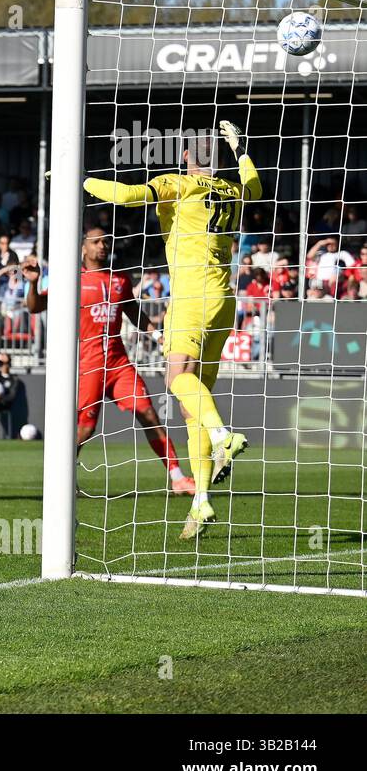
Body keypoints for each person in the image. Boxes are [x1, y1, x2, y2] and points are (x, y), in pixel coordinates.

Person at [82, 120, 260, 538]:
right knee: (192, 404)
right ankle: (200, 502)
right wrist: (242, 151)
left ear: (184, 159)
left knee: (176, 379)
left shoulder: (178, 185)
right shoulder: (233, 190)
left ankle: (222, 436)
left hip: (191, 297)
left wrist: (81, 178)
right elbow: (255, 188)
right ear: (216, 160)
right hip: (223, 301)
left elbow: (126, 196)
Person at [21, 230, 194, 493]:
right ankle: (62, 479)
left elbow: (134, 313)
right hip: (88, 365)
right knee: (85, 429)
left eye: (106, 242)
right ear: (83, 248)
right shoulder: (71, 279)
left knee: (148, 413)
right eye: (96, 242)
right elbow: (35, 307)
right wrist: (33, 283)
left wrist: (160, 338)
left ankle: (178, 477)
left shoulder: (120, 279)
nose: (103, 246)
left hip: (118, 363)